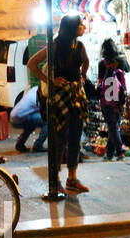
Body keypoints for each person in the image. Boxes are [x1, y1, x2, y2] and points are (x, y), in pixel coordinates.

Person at [27, 14, 91, 194]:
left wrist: (83, 76)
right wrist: (50, 80)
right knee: (59, 139)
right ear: (72, 28)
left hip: (76, 95)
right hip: (60, 96)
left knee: (75, 137)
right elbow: (32, 64)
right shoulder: (55, 46)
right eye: (80, 24)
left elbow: (86, 62)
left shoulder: (79, 46)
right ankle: (55, 180)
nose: (83, 27)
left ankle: (72, 178)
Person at [97, 39, 130, 161]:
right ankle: (109, 152)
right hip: (120, 99)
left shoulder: (102, 63)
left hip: (107, 99)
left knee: (112, 125)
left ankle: (120, 151)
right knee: (114, 124)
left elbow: (100, 81)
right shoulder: (121, 60)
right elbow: (128, 71)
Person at [9, 86, 47, 153]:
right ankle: (38, 145)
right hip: (19, 118)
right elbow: (45, 113)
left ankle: (20, 144)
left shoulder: (34, 89)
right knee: (47, 121)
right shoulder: (38, 99)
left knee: (31, 123)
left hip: (13, 116)